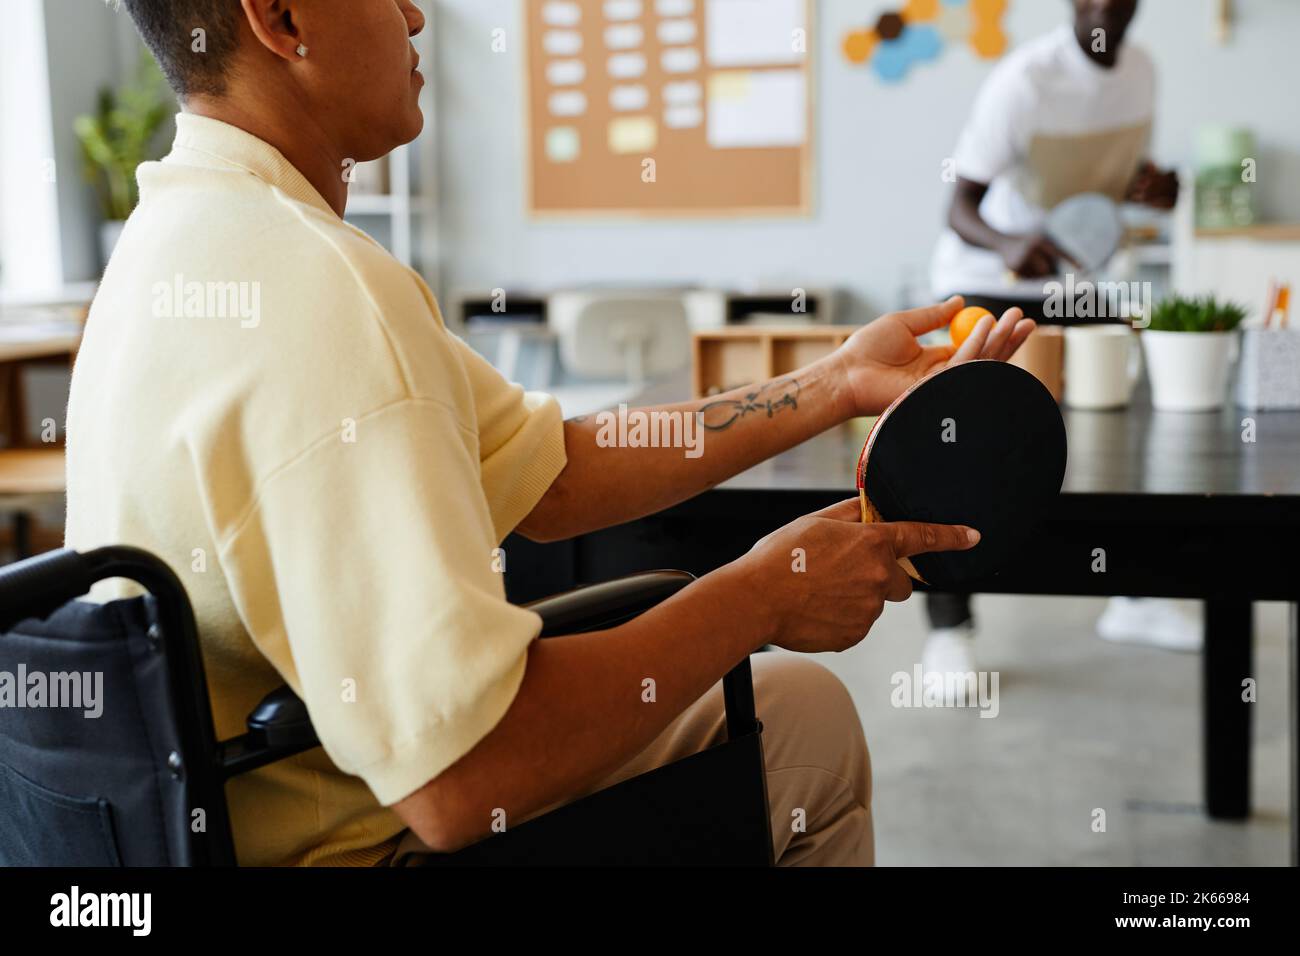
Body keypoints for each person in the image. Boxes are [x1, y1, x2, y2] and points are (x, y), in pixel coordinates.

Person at [66, 0, 1034, 866]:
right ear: (281, 19)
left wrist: (834, 382)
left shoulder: (176, 242)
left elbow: (558, 471)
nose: (414, 18)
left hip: (210, 816)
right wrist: (762, 594)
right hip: (350, 839)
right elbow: (462, 781)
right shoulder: (316, 289)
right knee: (804, 723)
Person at [924, 0, 1189, 681]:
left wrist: (1164, 188)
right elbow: (958, 206)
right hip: (990, 280)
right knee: (969, 443)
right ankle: (948, 632)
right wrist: (1013, 242)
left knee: (1123, 429)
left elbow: (1122, 179)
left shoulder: (1143, 72)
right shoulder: (1024, 82)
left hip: (1078, 279)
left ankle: (1133, 595)